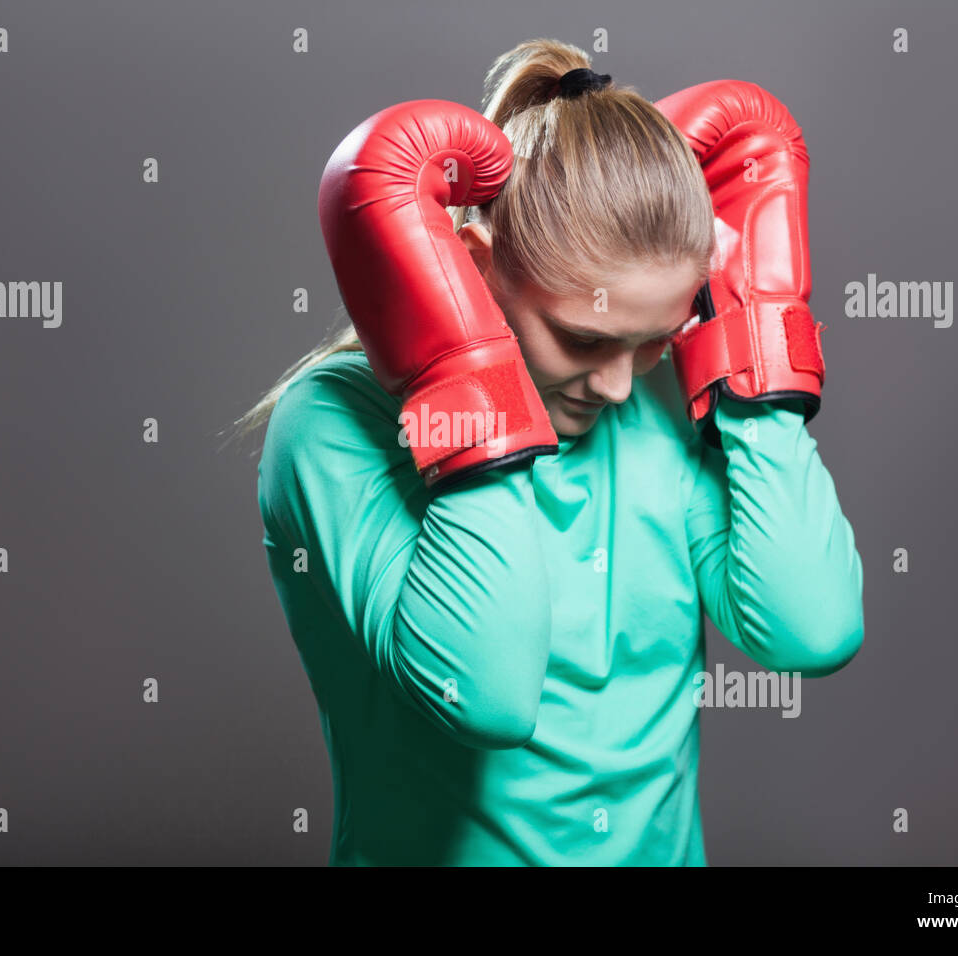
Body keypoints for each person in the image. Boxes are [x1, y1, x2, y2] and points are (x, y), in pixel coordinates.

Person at [238, 38, 864, 865]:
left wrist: (755, 345)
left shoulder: (664, 397)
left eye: (653, 340)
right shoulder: (329, 425)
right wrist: (464, 369)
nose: (614, 387)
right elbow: (488, 695)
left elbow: (811, 631)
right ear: (470, 269)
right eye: (582, 338)